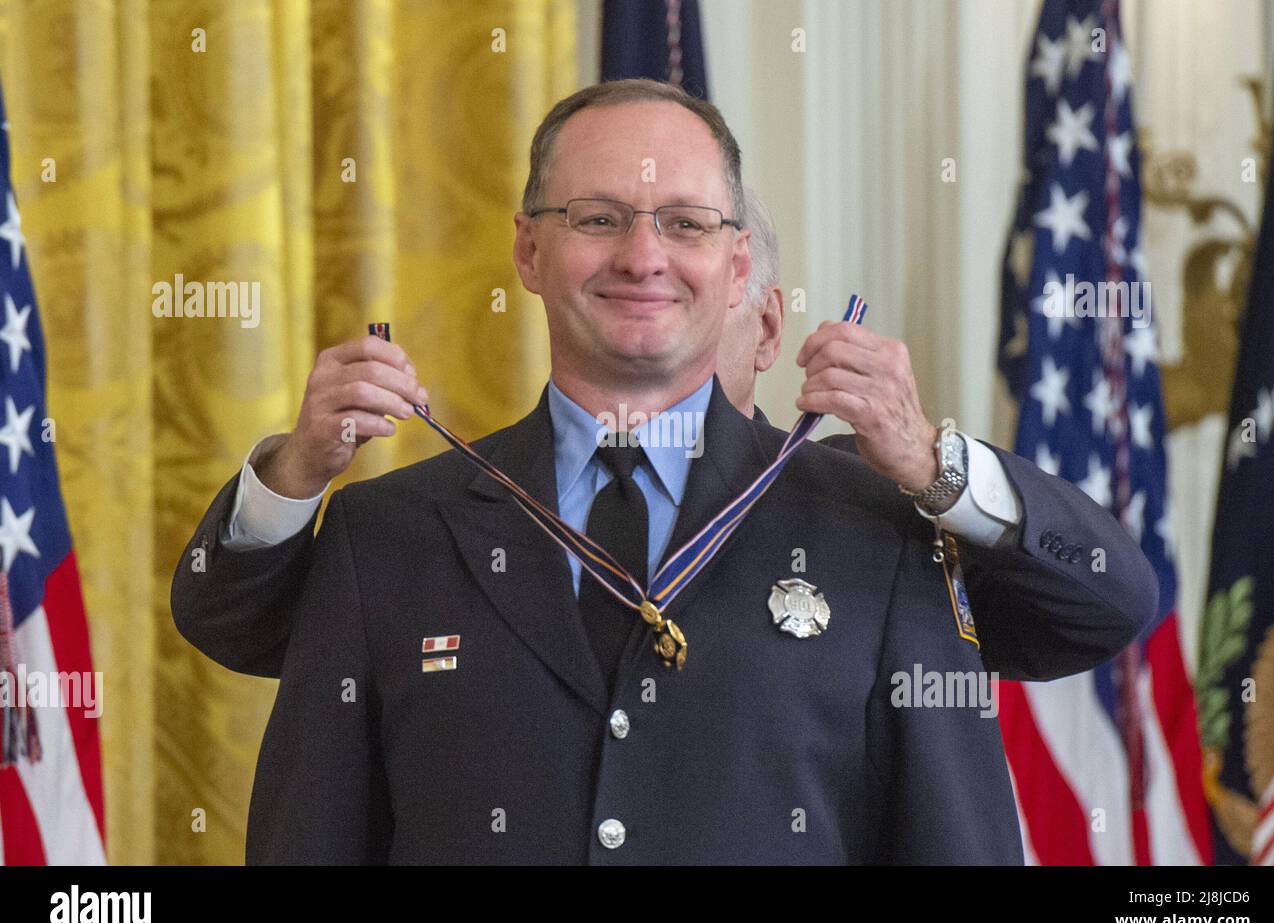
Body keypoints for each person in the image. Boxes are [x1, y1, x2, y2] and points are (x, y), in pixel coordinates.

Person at [172, 79, 1158, 864]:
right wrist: (290, 472)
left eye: (685, 223)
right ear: (527, 248)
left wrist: (934, 462)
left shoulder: (879, 522)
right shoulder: (385, 530)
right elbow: (302, 818)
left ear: (739, 271)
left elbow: (1106, 607)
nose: (643, 254)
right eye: (597, 217)